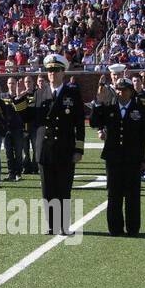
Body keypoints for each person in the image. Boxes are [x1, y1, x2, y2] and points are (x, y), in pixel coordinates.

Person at [90, 77, 145, 236]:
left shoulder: (140, 109)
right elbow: (94, 122)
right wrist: (98, 102)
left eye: (123, 89)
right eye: (118, 89)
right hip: (113, 158)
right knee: (113, 194)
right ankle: (115, 228)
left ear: (131, 91)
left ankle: (133, 228)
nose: (120, 92)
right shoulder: (109, 108)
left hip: (133, 158)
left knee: (133, 194)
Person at [35, 53, 85, 233]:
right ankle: (51, 225)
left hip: (65, 148)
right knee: (48, 191)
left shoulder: (72, 93)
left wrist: (79, 149)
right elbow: (32, 119)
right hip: (45, 149)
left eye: (56, 70)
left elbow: (80, 123)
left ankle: (63, 225)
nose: (52, 74)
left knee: (63, 189)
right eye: (49, 70)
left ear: (63, 72)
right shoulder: (40, 93)